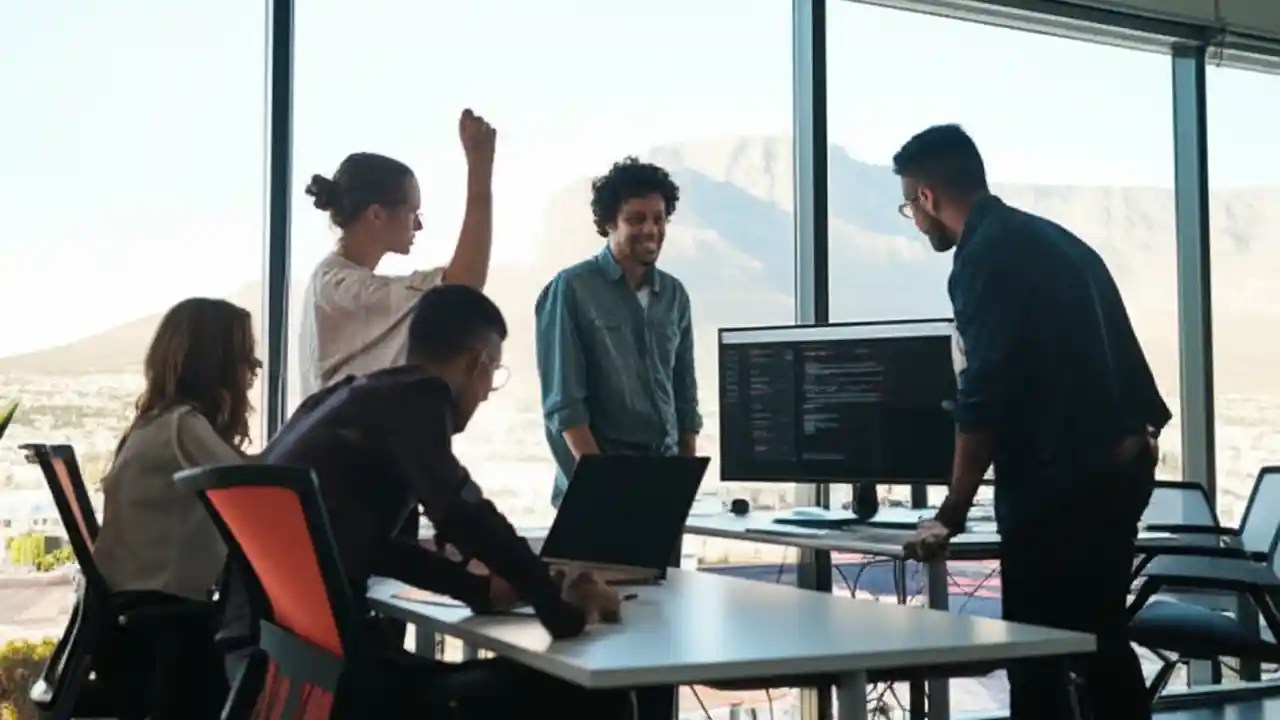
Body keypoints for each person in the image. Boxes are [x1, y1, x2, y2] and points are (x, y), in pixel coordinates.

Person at [219, 284, 630, 717]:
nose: (486, 393)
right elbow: (462, 512)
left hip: (268, 674)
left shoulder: (340, 400)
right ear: (477, 362)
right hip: (336, 687)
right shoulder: (417, 399)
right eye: (493, 373)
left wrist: (479, 590)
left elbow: (377, 549)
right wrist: (560, 606)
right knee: (595, 696)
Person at [894, 124, 1170, 719]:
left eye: (908, 207)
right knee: (1098, 644)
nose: (914, 221)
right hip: (1117, 470)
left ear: (927, 197)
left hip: (1066, 486)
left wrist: (951, 513)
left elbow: (985, 393)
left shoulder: (983, 258)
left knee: (1037, 656)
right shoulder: (1050, 239)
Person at [93, 297, 260, 718]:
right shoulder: (182, 426)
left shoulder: (158, 423)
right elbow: (256, 490)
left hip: (131, 624)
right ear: (216, 363)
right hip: (165, 634)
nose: (254, 368)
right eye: (245, 356)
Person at [535, 156, 702, 508]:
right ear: (609, 223)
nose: (651, 229)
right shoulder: (572, 289)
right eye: (636, 219)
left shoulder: (674, 295)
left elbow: (685, 395)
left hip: (662, 487)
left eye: (658, 218)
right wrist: (604, 490)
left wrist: (682, 482)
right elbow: (565, 406)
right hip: (596, 493)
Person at [298, 108, 496, 397]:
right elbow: (462, 288)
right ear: (376, 215)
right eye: (412, 212)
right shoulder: (339, 288)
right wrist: (480, 172)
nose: (418, 225)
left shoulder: (334, 282)